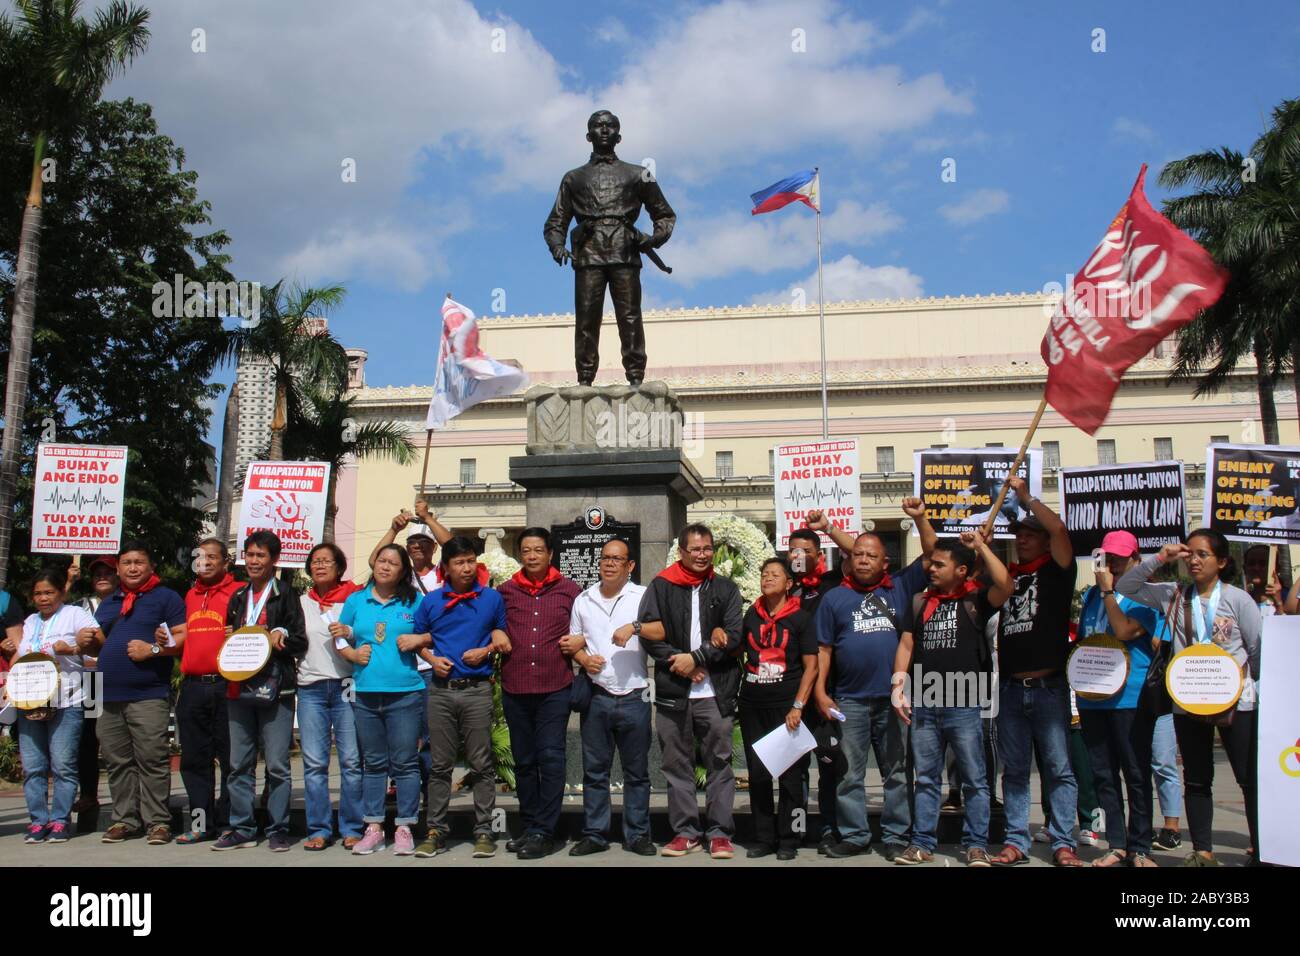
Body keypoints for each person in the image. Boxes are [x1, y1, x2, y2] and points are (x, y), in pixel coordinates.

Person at [1118, 530, 1262, 866]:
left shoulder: (1238, 600)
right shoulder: (1173, 594)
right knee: (1197, 778)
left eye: (1203, 555)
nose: (1194, 561)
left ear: (1222, 562)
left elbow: (1255, 649)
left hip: (1236, 702)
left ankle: (1261, 844)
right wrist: (1162, 557)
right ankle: (1203, 851)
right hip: (1189, 700)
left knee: (1247, 777)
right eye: (1190, 554)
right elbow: (1126, 587)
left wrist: (1250, 689)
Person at [812, 497, 938, 861]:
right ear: (849, 560)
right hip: (849, 699)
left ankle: (897, 835)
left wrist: (920, 517)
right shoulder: (833, 598)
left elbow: (931, 554)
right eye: (859, 555)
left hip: (894, 698)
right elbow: (824, 651)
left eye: (872, 556)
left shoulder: (899, 586)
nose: (864, 560)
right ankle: (854, 835)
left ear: (886, 562)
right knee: (848, 774)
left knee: (897, 772)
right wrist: (821, 692)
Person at [892, 532, 1012, 866]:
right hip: (925, 701)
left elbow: (1005, 584)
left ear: (961, 571)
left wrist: (982, 548)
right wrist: (898, 685)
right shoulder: (919, 601)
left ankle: (976, 844)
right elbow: (906, 644)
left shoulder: (977, 599)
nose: (930, 568)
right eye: (930, 562)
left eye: (939, 564)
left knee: (974, 778)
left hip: (964, 702)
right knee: (926, 778)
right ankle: (921, 844)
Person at [543, 109, 676, 387]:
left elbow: (664, 214)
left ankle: (636, 377)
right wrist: (557, 246)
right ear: (588, 135)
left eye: (610, 126)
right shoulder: (573, 178)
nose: (604, 130)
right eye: (598, 126)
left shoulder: (640, 174)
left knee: (629, 316)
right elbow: (556, 221)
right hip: (588, 253)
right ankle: (585, 379)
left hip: (624, 250)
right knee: (586, 319)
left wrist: (654, 239)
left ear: (619, 135)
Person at [990, 476, 1083, 867]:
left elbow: (1059, 528)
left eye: (1030, 534)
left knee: (1058, 768)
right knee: (1014, 771)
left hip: (1047, 687)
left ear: (1045, 541)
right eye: (1019, 534)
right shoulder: (1009, 578)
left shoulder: (1058, 572)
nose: (1022, 539)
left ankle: (1063, 841)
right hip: (1011, 689)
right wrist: (980, 544)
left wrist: (1025, 498)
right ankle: (1016, 841)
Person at [638, 523, 743, 859]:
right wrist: (677, 661)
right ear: (681, 551)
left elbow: (733, 635)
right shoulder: (661, 585)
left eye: (707, 549)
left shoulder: (725, 589)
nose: (702, 555)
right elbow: (649, 635)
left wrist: (697, 658)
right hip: (674, 692)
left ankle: (719, 833)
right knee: (676, 765)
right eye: (695, 549)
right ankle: (685, 832)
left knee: (719, 763)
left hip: (716, 693)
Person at [413, 536, 510, 858]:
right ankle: (435, 830)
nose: (466, 568)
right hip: (441, 691)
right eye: (459, 562)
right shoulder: (431, 602)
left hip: (477, 690)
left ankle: (483, 831)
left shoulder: (492, 599)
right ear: (446, 568)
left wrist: (485, 650)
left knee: (481, 764)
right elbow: (418, 640)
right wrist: (431, 660)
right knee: (440, 765)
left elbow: (501, 635)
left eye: (470, 561)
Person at [213, 531, 307, 852]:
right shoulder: (238, 597)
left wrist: (280, 636)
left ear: (274, 560)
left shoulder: (286, 595)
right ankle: (242, 828)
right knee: (239, 764)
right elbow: (231, 640)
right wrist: (230, 636)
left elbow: (300, 641)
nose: (254, 561)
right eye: (250, 555)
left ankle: (278, 827)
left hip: (276, 687)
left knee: (278, 765)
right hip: (240, 687)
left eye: (261, 556)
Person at [561, 536, 655, 857]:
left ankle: (638, 834)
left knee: (637, 773)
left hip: (635, 694)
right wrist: (584, 659)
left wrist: (635, 626)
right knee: (595, 771)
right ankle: (596, 834)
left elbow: (664, 629)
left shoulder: (642, 597)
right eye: (605, 558)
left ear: (630, 565)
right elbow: (574, 641)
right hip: (597, 696)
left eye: (617, 559)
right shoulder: (583, 599)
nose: (610, 563)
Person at [1075, 531, 1164, 868]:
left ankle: (1141, 845)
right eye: (1107, 556)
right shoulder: (1091, 596)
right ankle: (1118, 843)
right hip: (1094, 696)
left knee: (1136, 772)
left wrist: (1110, 590)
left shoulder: (1146, 595)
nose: (1112, 562)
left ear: (1135, 560)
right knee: (1103, 773)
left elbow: (1124, 631)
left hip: (1130, 696)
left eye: (1119, 558)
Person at [330, 544, 425, 855]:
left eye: (393, 563)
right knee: (373, 763)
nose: (385, 566)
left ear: (402, 570)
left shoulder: (414, 600)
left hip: (406, 692)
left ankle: (404, 827)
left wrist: (419, 639)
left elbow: (432, 632)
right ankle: (373, 827)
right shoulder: (357, 600)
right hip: (366, 692)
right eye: (382, 560)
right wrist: (351, 652)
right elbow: (340, 635)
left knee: (406, 763)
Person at [93, 541, 187, 845]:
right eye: (127, 563)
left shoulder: (166, 598)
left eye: (139, 562)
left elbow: (184, 639)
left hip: (147, 694)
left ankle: (158, 821)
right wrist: (86, 642)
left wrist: (154, 649)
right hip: (107, 695)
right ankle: (124, 820)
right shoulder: (109, 602)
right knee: (117, 762)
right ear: (118, 568)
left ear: (150, 566)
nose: (132, 568)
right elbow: (101, 645)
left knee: (152, 759)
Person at [496, 528, 581, 859]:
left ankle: (545, 829)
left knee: (551, 757)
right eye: (526, 550)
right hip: (516, 686)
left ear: (550, 554)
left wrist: (582, 642)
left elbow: (586, 627)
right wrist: (495, 630)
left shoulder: (570, 591)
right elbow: (492, 621)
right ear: (520, 555)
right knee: (525, 761)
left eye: (538, 550)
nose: (532, 556)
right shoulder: (505, 592)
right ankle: (531, 825)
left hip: (553, 688)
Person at [1, 569, 99, 843]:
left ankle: (59, 821)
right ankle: (37, 821)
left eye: (49, 593)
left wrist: (75, 646)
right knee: (33, 766)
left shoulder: (75, 614)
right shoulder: (30, 622)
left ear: (61, 592)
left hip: (67, 700)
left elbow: (93, 642)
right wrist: (11, 652)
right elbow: (21, 658)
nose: (43, 598)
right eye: (38, 594)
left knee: (63, 765)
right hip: (30, 702)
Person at [737, 557, 819, 859]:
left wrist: (799, 704)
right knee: (758, 774)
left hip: (787, 705)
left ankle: (790, 837)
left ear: (789, 583)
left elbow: (812, 666)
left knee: (790, 776)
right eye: (764, 573)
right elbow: (740, 650)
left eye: (775, 574)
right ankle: (763, 837)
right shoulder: (751, 613)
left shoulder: (801, 617)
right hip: (752, 703)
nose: (767, 578)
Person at [298, 542, 364, 850]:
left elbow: (364, 637)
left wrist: (349, 633)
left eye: (327, 561)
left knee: (351, 760)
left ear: (339, 568)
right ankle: (319, 829)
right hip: (310, 688)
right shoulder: (300, 602)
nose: (320, 565)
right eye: (315, 561)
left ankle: (352, 827)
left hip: (346, 685)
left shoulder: (353, 600)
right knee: (314, 763)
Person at [787, 511, 846, 852]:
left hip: (827, 691)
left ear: (818, 556)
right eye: (793, 551)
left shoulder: (833, 584)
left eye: (805, 551)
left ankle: (829, 827)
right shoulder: (782, 588)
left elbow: (854, 554)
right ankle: (794, 828)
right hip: (793, 692)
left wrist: (827, 528)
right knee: (795, 768)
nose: (798, 556)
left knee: (829, 763)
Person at [175, 538, 241, 843]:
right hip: (192, 686)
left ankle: (228, 823)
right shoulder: (189, 595)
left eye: (213, 557)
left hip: (226, 684)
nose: (206, 562)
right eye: (200, 557)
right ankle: (201, 822)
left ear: (225, 562)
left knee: (231, 760)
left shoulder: (239, 592)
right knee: (193, 760)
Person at [74, 555, 117, 813]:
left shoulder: (128, 603)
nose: (102, 577)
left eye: (107, 572)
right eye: (97, 574)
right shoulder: (80, 606)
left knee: (119, 739)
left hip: (117, 678)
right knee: (88, 739)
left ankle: (129, 796)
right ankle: (89, 793)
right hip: (90, 680)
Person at [1151, 714, 1184, 853]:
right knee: (1136, 770)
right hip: (1131, 707)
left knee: (1163, 764)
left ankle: (1172, 829)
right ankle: (1143, 827)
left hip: (1160, 709)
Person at [1242, 544, 1284, 617]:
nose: (1256, 568)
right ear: (1244, 568)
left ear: (1277, 568)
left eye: (1262, 564)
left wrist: (1279, 604)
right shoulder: (1239, 599)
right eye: (1251, 563)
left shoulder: (1287, 598)